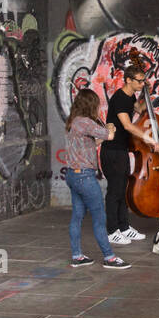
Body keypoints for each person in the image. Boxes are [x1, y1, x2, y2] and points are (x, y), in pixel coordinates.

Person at [63, 88, 130, 270]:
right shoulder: (86, 122)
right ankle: (109, 258)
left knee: (77, 216)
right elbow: (109, 136)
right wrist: (110, 127)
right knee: (99, 218)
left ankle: (77, 256)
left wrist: (106, 132)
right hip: (85, 177)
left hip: (72, 175)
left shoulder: (74, 122)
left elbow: (93, 143)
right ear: (91, 105)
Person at [101, 63, 156, 245]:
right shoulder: (119, 98)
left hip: (121, 150)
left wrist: (146, 94)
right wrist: (148, 139)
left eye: (143, 81)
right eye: (139, 81)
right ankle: (111, 230)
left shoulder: (130, 95)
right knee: (114, 191)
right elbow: (127, 125)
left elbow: (139, 110)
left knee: (121, 190)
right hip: (112, 151)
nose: (142, 84)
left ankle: (124, 227)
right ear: (128, 80)